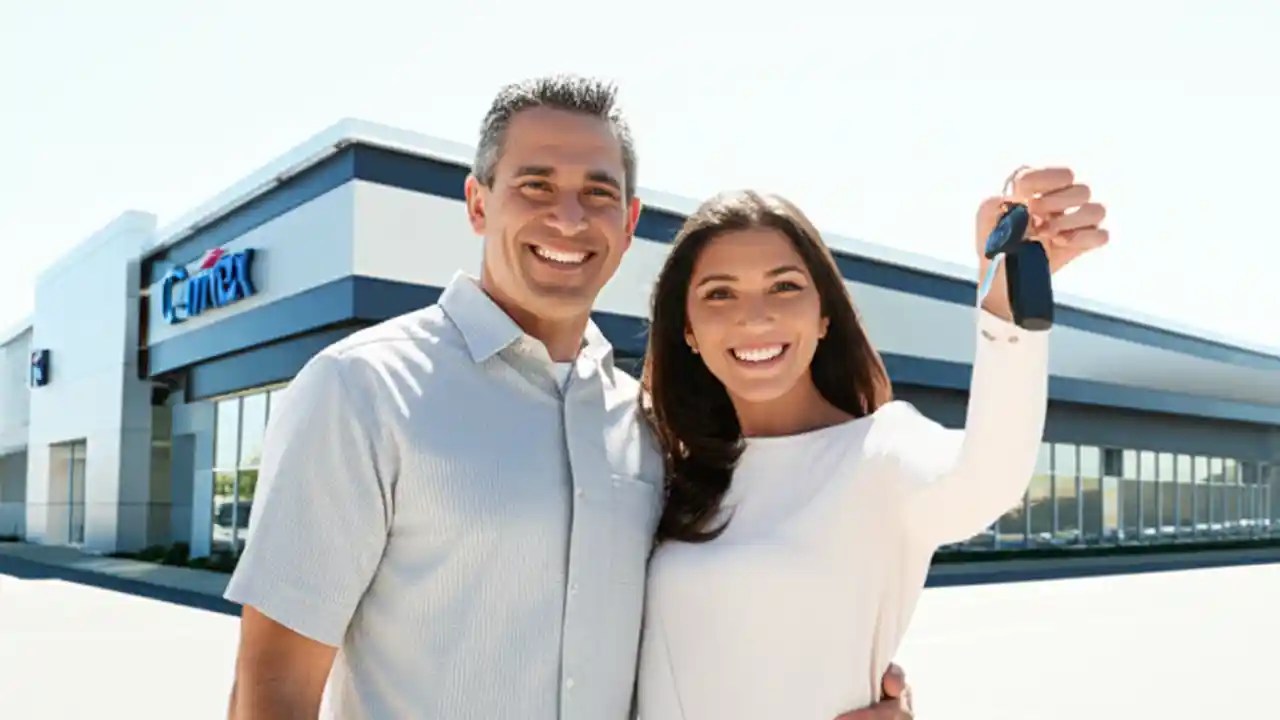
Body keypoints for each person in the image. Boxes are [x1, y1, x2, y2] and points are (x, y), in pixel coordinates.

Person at [222, 74, 913, 719]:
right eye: (537, 185)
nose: (570, 218)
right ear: (477, 203)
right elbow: (273, 681)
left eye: (599, 193)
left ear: (629, 221)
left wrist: (843, 690)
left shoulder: (648, 425)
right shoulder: (361, 390)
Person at [633, 175, 1108, 718]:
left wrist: (1007, 302)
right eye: (719, 293)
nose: (755, 315)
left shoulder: (881, 453)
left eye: (784, 286)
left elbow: (988, 476)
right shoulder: (658, 463)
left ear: (824, 315)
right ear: (687, 329)